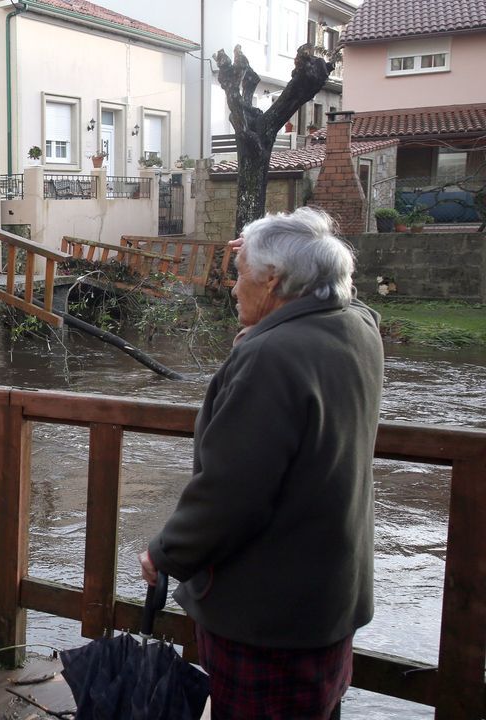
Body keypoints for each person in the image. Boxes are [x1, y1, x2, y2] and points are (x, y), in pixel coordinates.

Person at [139, 206, 383, 719]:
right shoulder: (355, 328)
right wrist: (274, 251)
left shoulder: (273, 357)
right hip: (327, 597)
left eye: (240, 274)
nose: (231, 286)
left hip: (269, 612)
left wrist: (167, 554)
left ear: (273, 280)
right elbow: (340, 297)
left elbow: (231, 492)